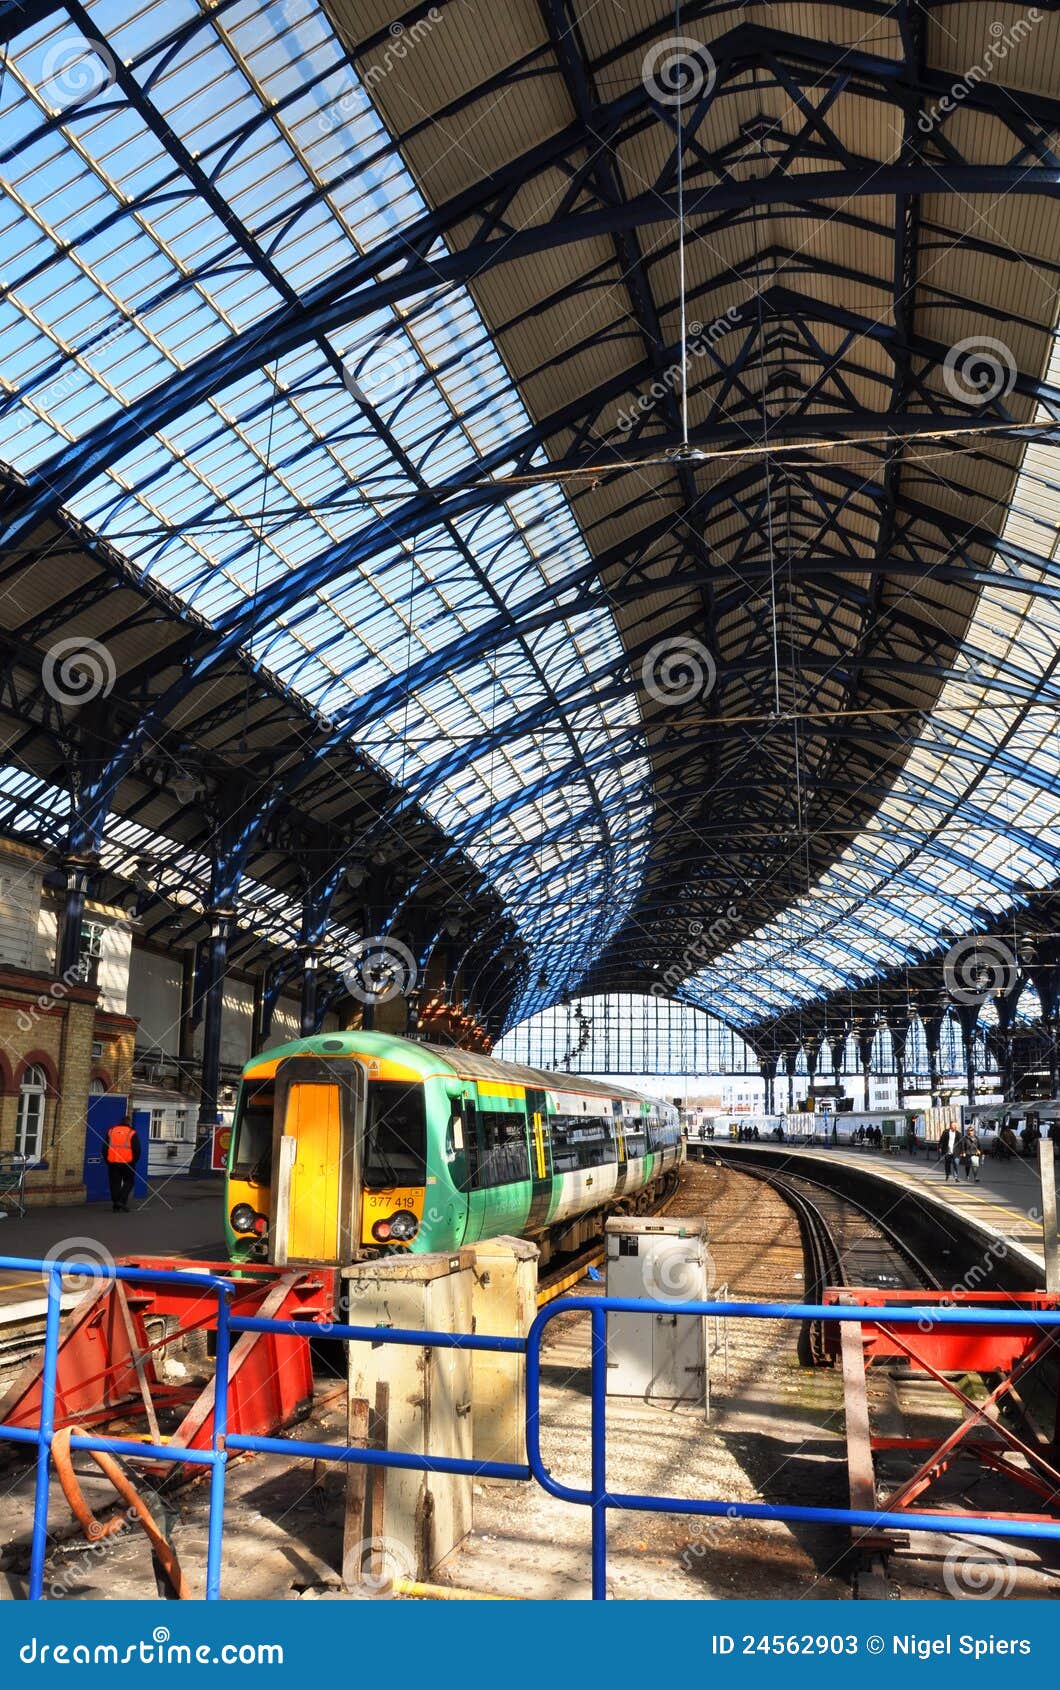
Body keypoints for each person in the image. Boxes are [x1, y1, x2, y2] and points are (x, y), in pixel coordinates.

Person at [103, 1116, 140, 1212]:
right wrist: (133, 1161)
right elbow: (137, 1149)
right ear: (129, 1123)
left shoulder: (111, 1131)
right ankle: (121, 1201)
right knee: (129, 1182)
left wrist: (107, 1161)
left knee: (115, 1184)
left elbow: (104, 1148)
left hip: (113, 1162)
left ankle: (116, 1205)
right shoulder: (132, 1132)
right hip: (127, 1163)